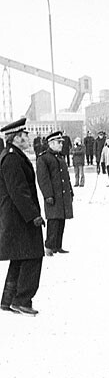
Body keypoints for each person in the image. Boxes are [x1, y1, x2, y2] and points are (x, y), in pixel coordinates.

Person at [0, 118, 46, 316]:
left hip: (16, 216)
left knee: (19, 257)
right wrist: (33, 216)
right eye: (24, 135)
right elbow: (18, 191)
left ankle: (8, 300)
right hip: (20, 217)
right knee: (33, 256)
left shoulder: (13, 155)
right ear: (16, 138)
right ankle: (22, 300)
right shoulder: (11, 158)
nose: (28, 138)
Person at [36, 131, 74, 257]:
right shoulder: (44, 158)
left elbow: (66, 177)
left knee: (61, 220)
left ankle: (58, 245)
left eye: (61, 142)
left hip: (62, 194)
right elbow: (43, 179)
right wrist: (48, 195)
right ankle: (49, 246)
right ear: (51, 143)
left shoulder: (59, 157)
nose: (61, 145)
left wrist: (70, 191)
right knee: (53, 221)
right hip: (53, 196)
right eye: (59, 142)